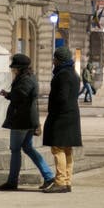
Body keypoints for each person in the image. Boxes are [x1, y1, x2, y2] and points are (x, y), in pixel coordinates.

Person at [0, 53, 55, 191]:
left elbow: (21, 96)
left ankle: (12, 181)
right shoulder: (28, 78)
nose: (12, 69)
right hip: (26, 120)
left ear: (20, 68)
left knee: (15, 150)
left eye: (14, 67)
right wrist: (9, 94)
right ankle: (48, 176)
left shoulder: (25, 80)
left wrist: (9, 95)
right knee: (28, 148)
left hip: (21, 120)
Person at [42, 46, 82, 193]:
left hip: (62, 116)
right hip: (71, 115)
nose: (53, 61)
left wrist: (54, 111)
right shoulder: (73, 74)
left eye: (55, 58)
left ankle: (60, 181)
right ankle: (67, 180)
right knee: (67, 149)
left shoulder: (62, 75)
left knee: (57, 147)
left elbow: (62, 97)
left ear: (59, 60)